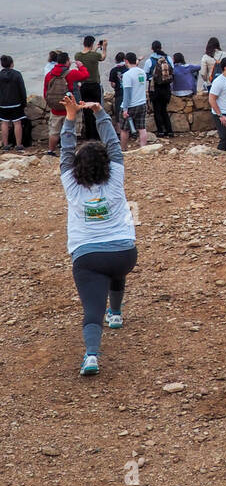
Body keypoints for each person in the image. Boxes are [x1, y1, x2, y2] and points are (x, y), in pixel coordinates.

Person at [59, 92, 137, 376]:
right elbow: (114, 144)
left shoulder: (71, 184)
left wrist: (70, 118)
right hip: (124, 254)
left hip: (88, 256)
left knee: (92, 309)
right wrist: (99, 113)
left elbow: (66, 151)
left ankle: (92, 355)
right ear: (106, 163)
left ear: (77, 168)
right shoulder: (116, 176)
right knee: (115, 270)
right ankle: (115, 314)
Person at [44, 52, 91, 157]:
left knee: (54, 131)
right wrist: (81, 66)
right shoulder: (72, 73)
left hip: (56, 108)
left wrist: (52, 103)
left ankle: (51, 151)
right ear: (66, 61)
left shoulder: (49, 75)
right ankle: (69, 151)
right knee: (71, 131)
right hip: (71, 109)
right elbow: (85, 75)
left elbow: (45, 92)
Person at [144, 42, 174, 138]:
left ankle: (160, 131)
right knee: (164, 109)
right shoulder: (168, 59)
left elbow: (145, 74)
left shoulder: (150, 61)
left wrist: (153, 78)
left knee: (157, 110)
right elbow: (172, 71)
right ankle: (169, 131)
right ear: (161, 47)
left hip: (155, 88)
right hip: (166, 88)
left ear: (151, 49)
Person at [119, 52, 149, 150]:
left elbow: (127, 93)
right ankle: (143, 148)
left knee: (124, 129)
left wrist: (125, 108)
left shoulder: (127, 75)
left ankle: (123, 149)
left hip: (131, 105)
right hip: (142, 103)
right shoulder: (142, 72)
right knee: (142, 128)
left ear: (126, 61)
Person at [0, 55, 28, 152]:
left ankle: (5, 145)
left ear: (2, 64)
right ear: (12, 64)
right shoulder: (17, 74)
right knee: (17, 123)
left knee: (4, 123)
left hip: (3, 104)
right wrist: (24, 103)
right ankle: (19, 145)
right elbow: (22, 90)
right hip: (16, 103)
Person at [107, 51, 128, 128]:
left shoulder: (114, 70)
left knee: (118, 114)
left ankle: (119, 132)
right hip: (128, 93)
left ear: (116, 60)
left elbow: (113, 84)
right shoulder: (127, 68)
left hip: (119, 93)